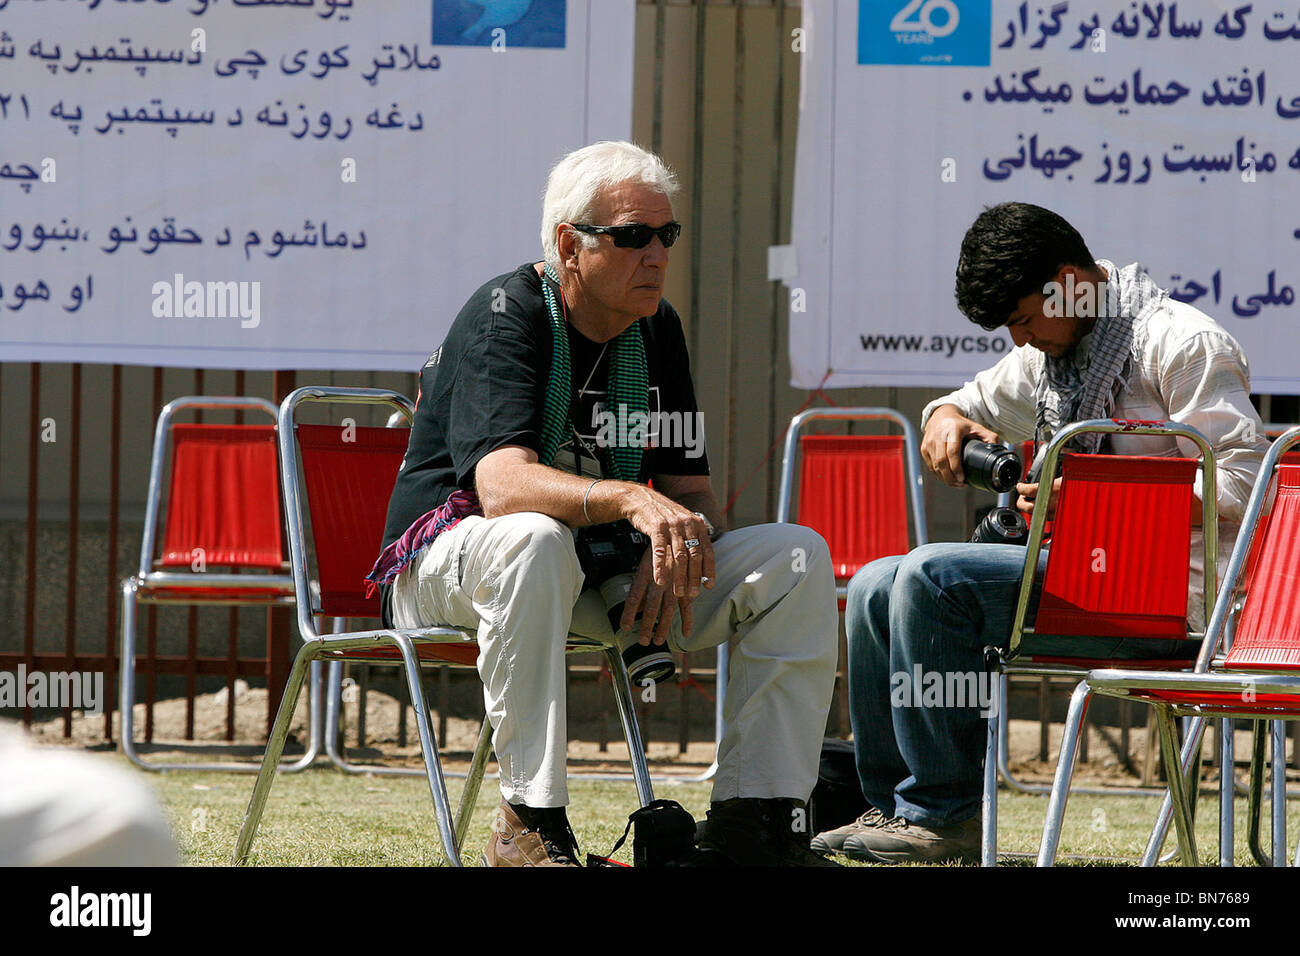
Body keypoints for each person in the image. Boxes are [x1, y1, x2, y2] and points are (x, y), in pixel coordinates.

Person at [368, 141, 839, 867]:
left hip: (596, 574)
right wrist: (628, 501)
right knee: (531, 537)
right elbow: (501, 486)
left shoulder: (658, 329)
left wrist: (676, 543)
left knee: (796, 556)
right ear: (570, 245)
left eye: (666, 235)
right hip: (450, 567)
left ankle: (758, 822)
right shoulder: (507, 312)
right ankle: (528, 821)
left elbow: (692, 496)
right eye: (632, 237)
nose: (656, 254)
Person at [811, 202, 1268, 864]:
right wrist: (944, 421)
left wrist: (1097, 499)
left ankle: (944, 812)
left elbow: (1246, 488)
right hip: (1090, 581)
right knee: (881, 579)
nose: (1020, 340)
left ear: (1068, 282)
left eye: (1024, 319)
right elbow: (964, 402)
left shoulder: (1183, 343)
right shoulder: (1056, 357)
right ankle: (894, 807)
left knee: (933, 577)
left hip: (1179, 598)